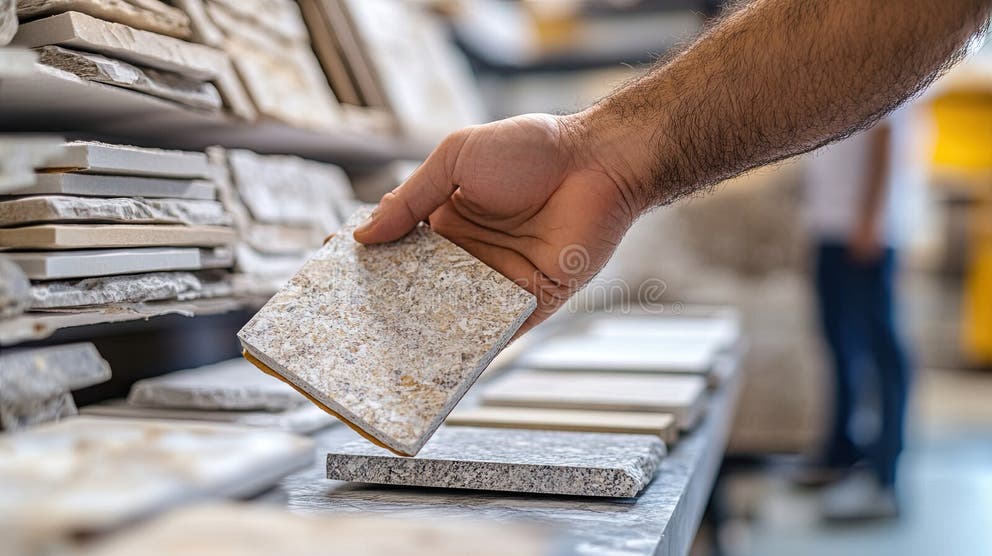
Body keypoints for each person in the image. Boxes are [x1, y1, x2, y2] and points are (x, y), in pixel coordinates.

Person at [354, 0, 990, 338]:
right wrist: (595, 155)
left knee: (869, 335)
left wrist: (595, 152)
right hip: (834, 219)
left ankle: (870, 469)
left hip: (864, 224)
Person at [801, 106, 924, 520]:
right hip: (830, 226)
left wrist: (870, 220)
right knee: (838, 342)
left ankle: (884, 479)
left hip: (865, 232)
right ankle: (841, 456)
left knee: (881, 349)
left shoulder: (887, 57)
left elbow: (888, 136)